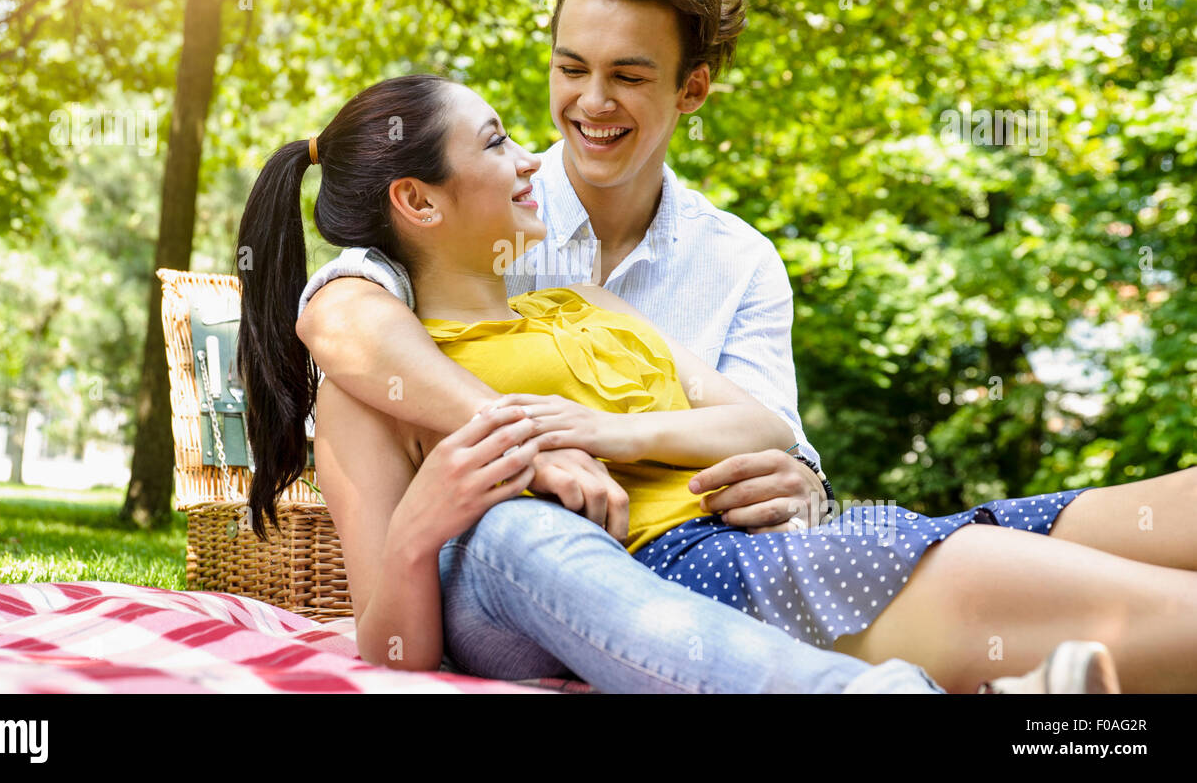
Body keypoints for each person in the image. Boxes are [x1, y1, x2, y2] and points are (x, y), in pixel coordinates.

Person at [233, 73, 1197, 693]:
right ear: (416, 200)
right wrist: (430, 515)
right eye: (492, 144)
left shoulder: (585, 306)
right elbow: (391, 648)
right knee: (1163, 624)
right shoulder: (382, 368)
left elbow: (765, 431)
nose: (531, 158)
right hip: (708, 571)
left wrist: (598, 432)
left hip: (808, 537)